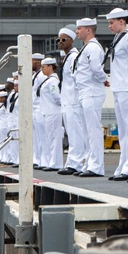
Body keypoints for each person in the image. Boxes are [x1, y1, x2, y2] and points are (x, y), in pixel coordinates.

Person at [105, 7, 128, 181]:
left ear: (122, 22)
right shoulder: (117, 39)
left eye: (112, 23)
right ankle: (124, 165)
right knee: (124, 132)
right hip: (119, 88)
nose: (109, 26)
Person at [74, 17, 109, 177]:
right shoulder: (87, 47)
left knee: (93, 130)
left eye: (79, 28)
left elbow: (95, 68)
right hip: (85, 92)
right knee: (88, 131)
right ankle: (89, 163)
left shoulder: (93, 48)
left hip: (92, 92)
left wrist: (104, 80)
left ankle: (96, 167)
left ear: (88, 30)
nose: (77, 32)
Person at [57, 27, 86, 176]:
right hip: (66, 100)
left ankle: (76, 163)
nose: (60, 42)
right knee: (71, 132)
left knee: (76, 133)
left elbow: (77, 79)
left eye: (63, 39)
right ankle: (72, 162)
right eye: (58, 40)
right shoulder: (66, 57)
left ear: (71, 41)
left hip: (73, 99)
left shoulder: (74, 56)